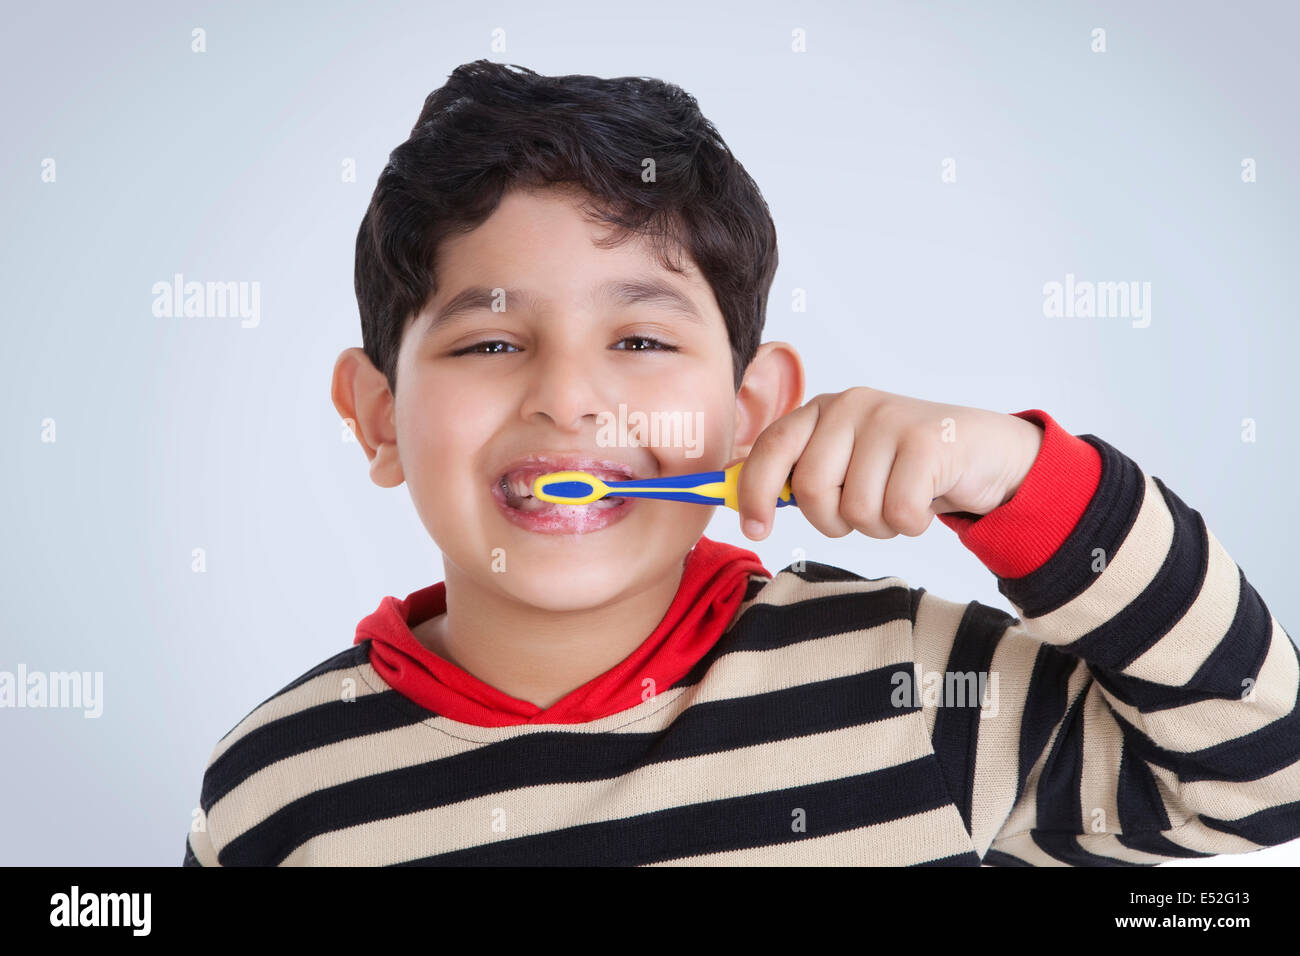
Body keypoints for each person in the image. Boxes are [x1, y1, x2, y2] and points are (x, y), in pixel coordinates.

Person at [183, 60, 1300, 866]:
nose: (568, 397)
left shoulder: (909, 685)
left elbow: (1261, 781)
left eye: (640, 340)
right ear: (376, 417)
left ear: (747, 410)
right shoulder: (277, 792)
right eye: (489, 341)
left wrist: (1018, 474)